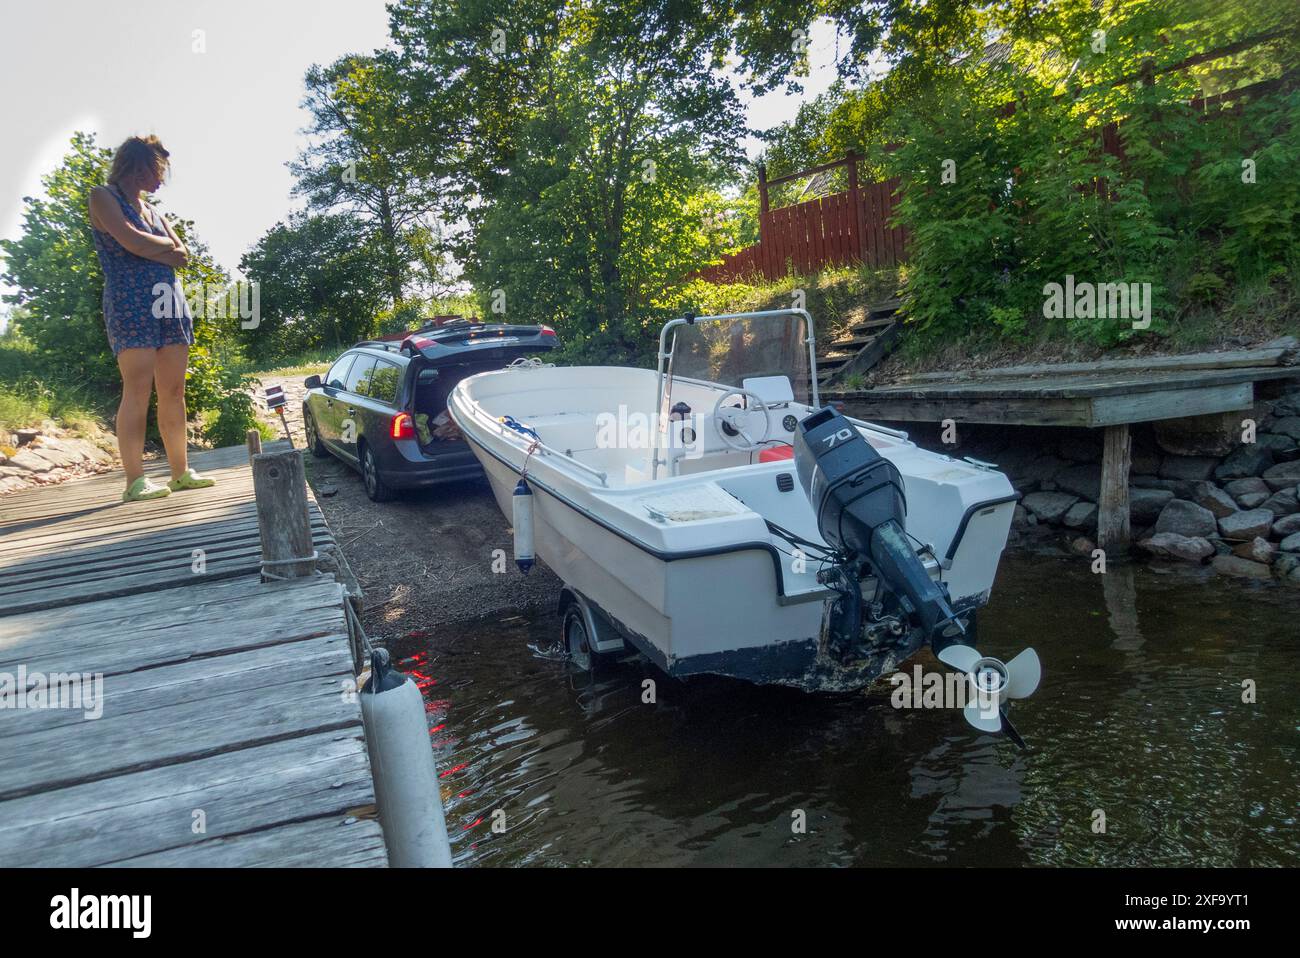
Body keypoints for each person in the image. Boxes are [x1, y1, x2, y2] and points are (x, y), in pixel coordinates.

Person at [88, 135, 214, 501]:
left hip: (170, 303)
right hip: (129, 302)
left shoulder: (155, 212)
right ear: (137, 165)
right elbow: (131, 242)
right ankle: (135, 482)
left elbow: (184, 254)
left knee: (174, 391)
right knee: (138, 388)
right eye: (158, 171)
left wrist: (154, 247)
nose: (161, 180)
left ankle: (180, 473)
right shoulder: (103, 196)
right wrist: (161, 248)